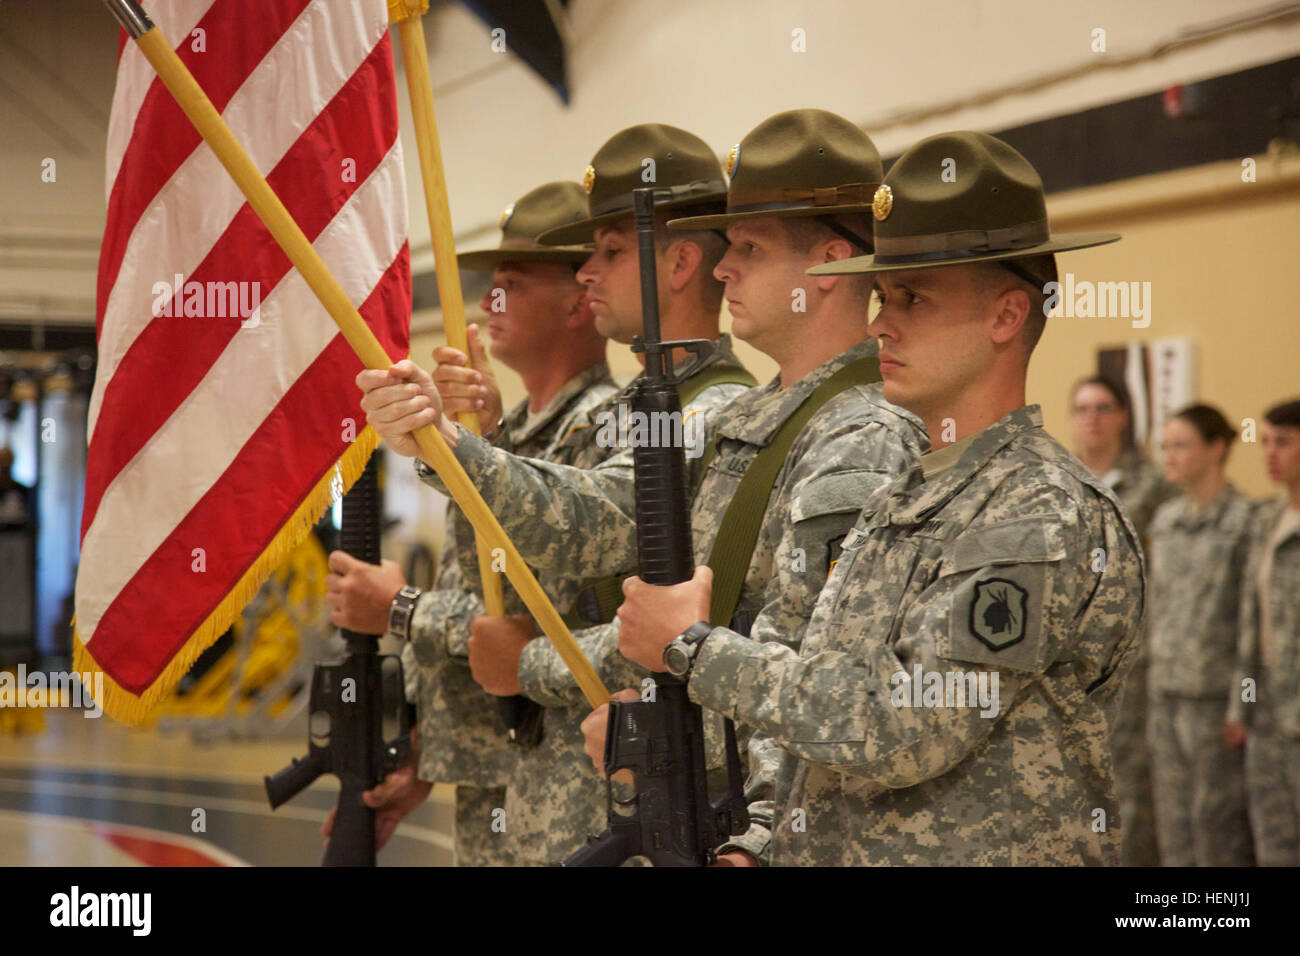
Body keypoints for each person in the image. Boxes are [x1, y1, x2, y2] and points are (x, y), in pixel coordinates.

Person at [600, 130, 1146, 865]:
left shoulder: (1037, 512)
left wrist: (692, 647)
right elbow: (816, 688)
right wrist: (761, 842)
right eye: (883, 294)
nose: (881, 319)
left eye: (913, 298)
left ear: (1007, 316)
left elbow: (905, 724)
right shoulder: (908, 494)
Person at [358, 124, 756, 863]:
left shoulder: (711, 411)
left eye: (608, 253)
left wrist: (447, 444)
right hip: (569, 757)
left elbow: (592, 524)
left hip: (624, 764)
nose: (587, 275)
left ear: (678, 262)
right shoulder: (640, 406)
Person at [325, 181, 617, 864]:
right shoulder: (514, 436)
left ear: (580, 300)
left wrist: (399, 609)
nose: (489, 302)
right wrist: (429, 747)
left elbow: (532, 618)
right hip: (501, 767)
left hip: (568, 776)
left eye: (512, 283)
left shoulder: (609, 427)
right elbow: (481, 589)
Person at [1068, 375, 1174, 866]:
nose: (1093, 418)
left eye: (1104, 408)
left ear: (1124, 416)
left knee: (1126, 779)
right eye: (1083, 408)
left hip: (1130, 654)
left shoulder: (1154, 486)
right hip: (1067, 660)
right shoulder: (1059, 483)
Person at [1146, 403, 1255, 866]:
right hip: (1164, 694)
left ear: (1217, 448)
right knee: (1172, 828)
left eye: (1181, 446)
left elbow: (1253, 622)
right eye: (1165, 446)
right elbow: (1155, 611)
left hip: (1214, 702)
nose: (1169, 456)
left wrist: (1242, 705)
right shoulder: (1166, 521)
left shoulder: (1246, 522)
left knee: (1217, 828)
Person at [1227, 398, 1300, 865]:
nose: (1270, 453)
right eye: (1266, 442)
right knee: (1272, 840)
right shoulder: (1266, 521)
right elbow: (1251, 624)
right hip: (1270, 708)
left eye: (1285, 443)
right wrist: (1241, 704)